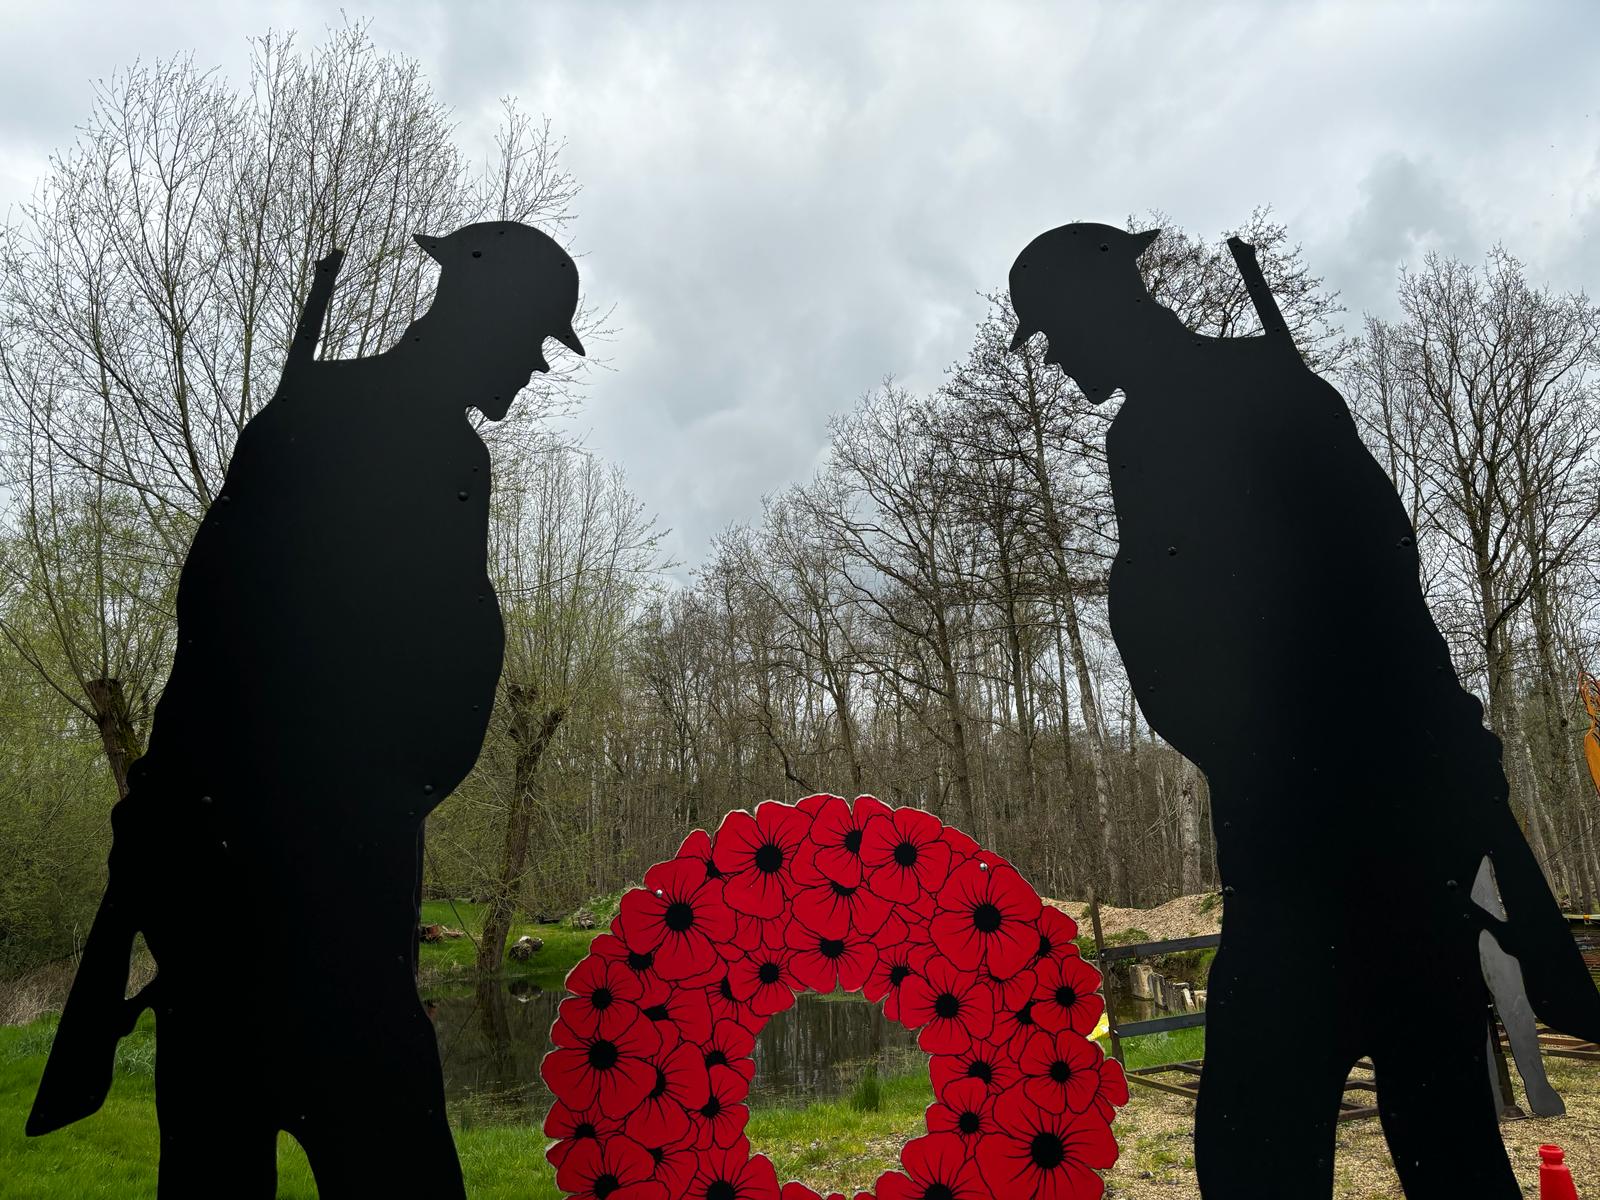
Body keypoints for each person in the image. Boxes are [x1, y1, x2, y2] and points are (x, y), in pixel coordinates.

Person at [1008, 222, 1600, 1199]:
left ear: (1097, 308)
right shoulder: (1246, 395)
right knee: (1443, 1135)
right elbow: (1371, 576)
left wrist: (1259, 748)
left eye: (1057, 334)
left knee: (1262, 1151)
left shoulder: (1161, 426)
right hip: (1387, 833)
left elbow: (1319, 598)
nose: (1059, 358)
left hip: (1312, 850)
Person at [30, 221, 583, 1199]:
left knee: (215, 1159)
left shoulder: (322, 412)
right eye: (534, 338)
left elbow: (212, 621)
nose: (535, 367)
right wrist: (381, 794)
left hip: (240, 881)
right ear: (482, 313)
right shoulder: (431, 452)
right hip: (324, 897)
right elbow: (415, 653)